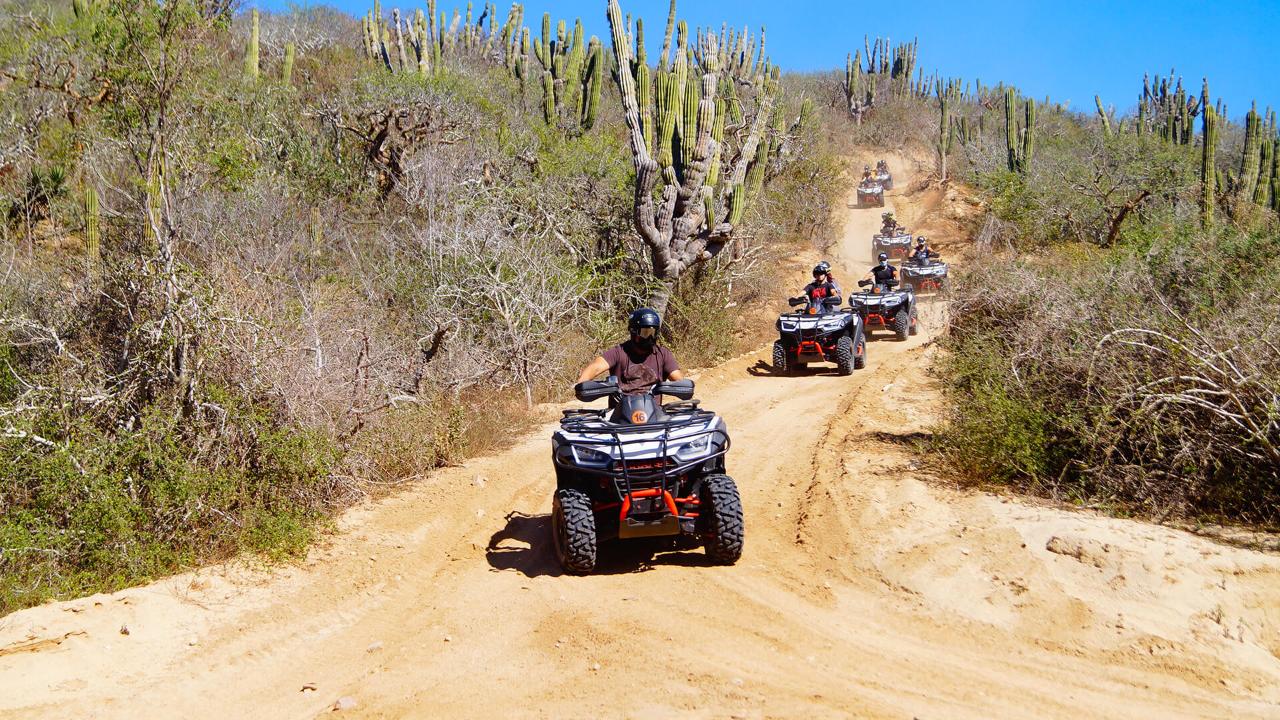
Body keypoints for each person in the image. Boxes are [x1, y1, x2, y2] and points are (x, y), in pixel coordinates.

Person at [577, 307, 683, 395]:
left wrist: (682, 388)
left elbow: (679, 381)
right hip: (621, 415)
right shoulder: (618, 352)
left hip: (654, 416)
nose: (650, 337)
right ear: (633, 331)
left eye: (653, 332)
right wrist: (582, 385)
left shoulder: (663, 354)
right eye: (645, 332)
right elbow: (594, 368)